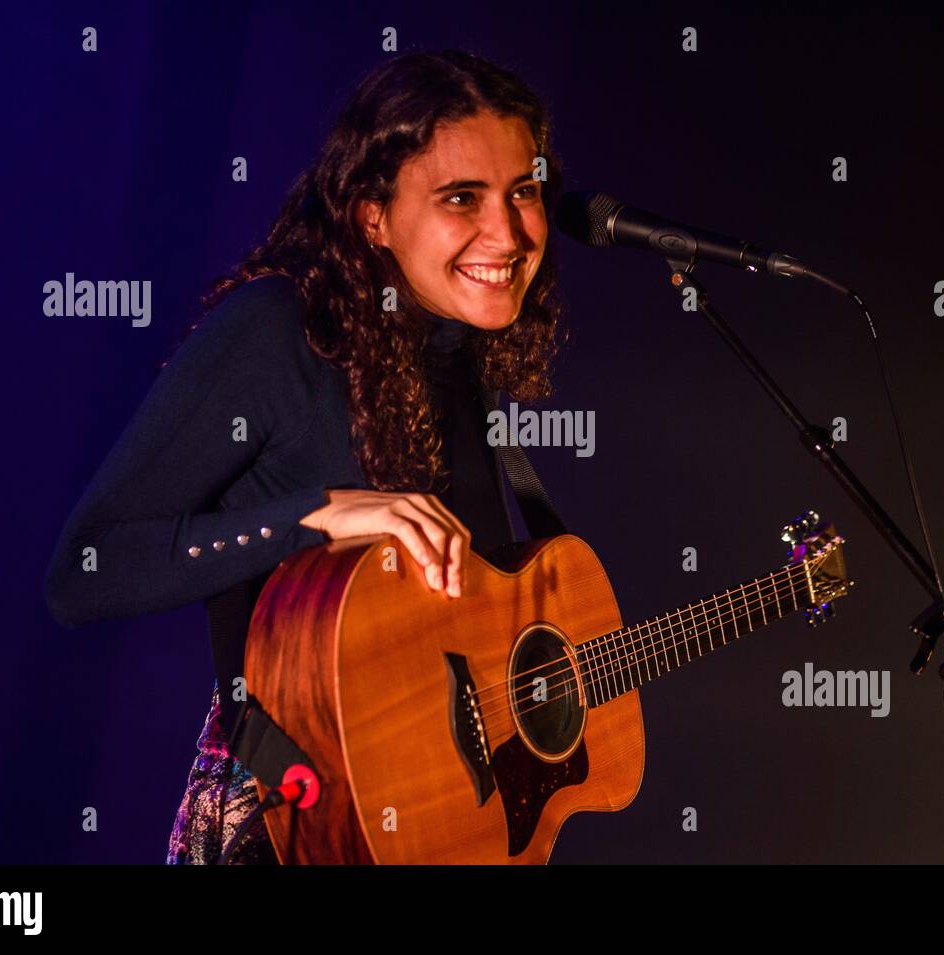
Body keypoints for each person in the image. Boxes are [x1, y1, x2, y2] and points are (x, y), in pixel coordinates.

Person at [42, 48, 566, 864]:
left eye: (523, 191)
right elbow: (84, 571)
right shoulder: (276, 331)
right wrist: (313, 516)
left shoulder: (457, 351)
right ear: (373, 215)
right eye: (462, 197)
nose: (508, 233)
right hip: (290, 831)